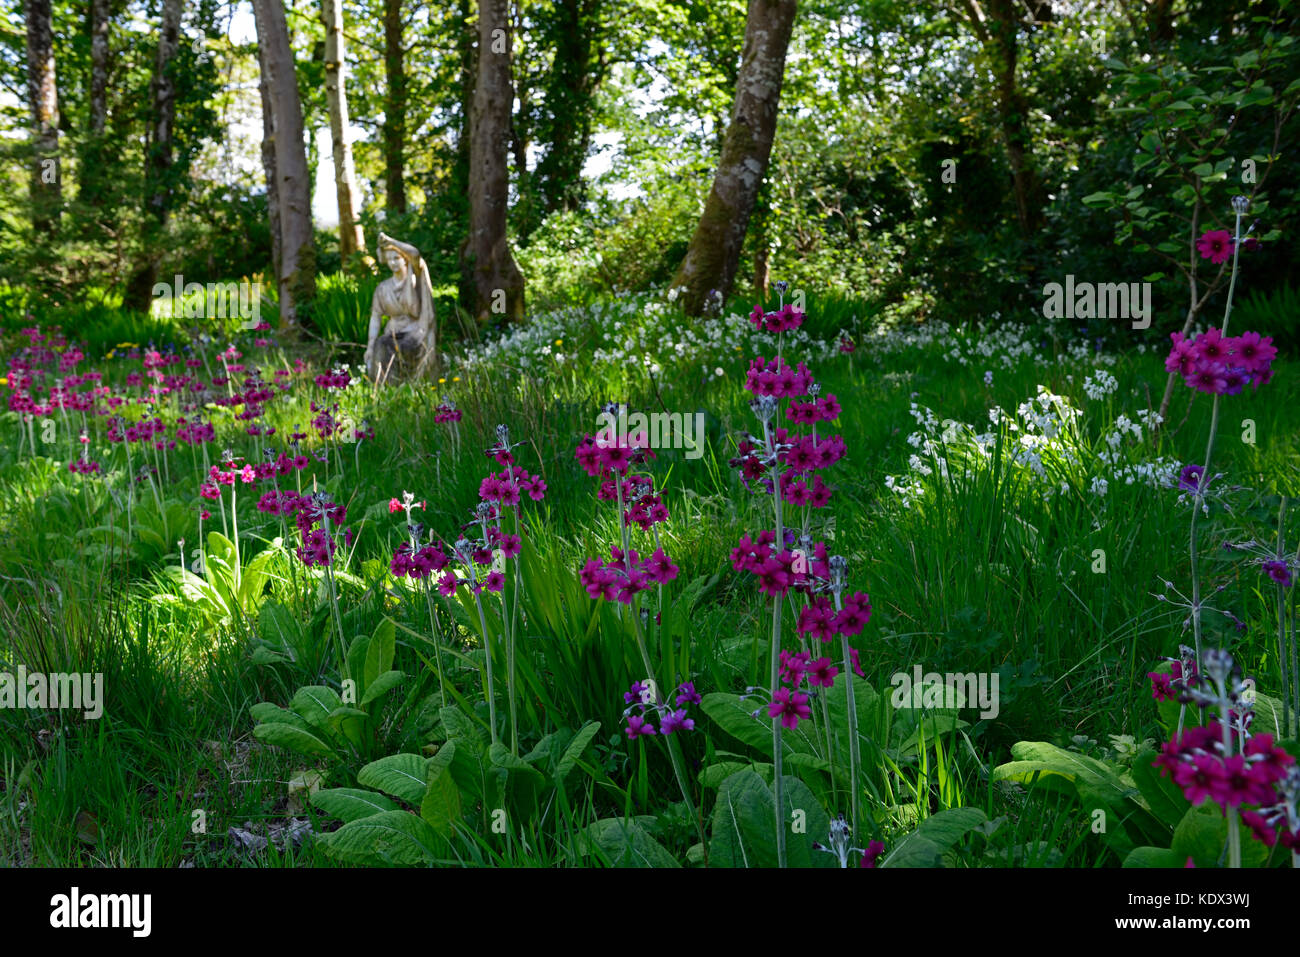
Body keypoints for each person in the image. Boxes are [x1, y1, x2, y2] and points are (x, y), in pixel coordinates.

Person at [364, 233, 438, 382]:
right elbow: (375, 317)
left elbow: (415, 254)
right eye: (390, 259)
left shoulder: (415, 279)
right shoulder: (383, 288)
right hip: (392, 334)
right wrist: (370, 345)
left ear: (405, 259)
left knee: (403, 346)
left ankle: (407, 387)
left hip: (415, 333)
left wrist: (390, 242)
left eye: (396, 258)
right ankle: (387, 392)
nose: (393, 263)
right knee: (381, 346)